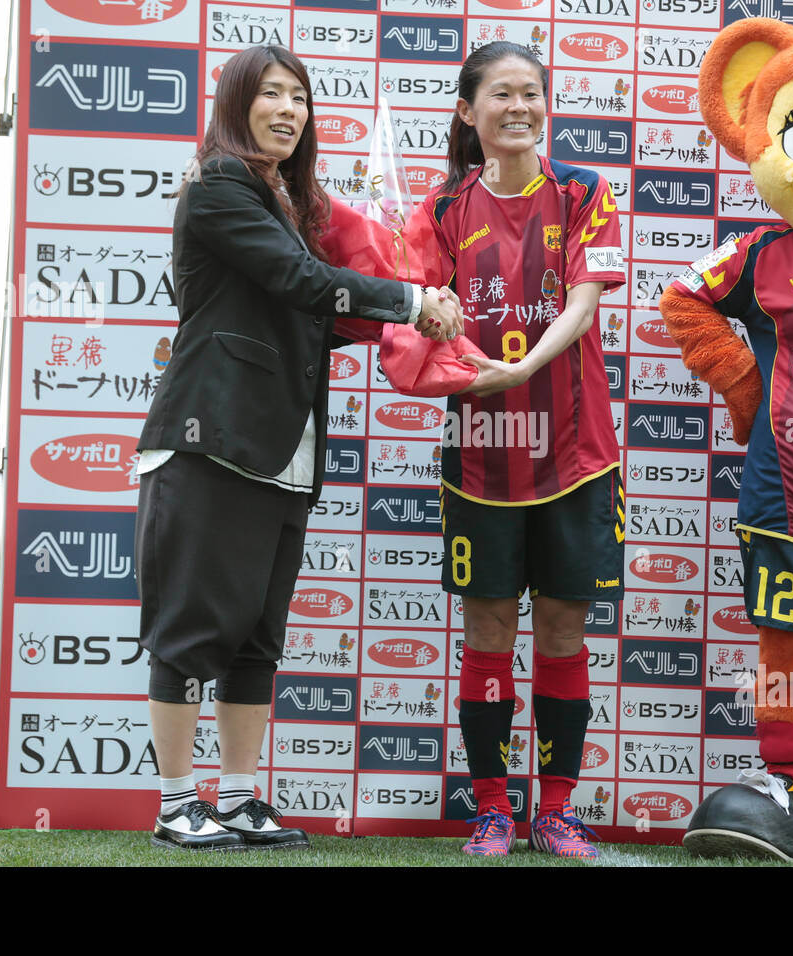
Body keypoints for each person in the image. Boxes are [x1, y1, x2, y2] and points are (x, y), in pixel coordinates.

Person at [134, 44, 462, 851]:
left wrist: (402, 326)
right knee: (186, 634)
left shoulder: (288, 202)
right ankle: (178, 803)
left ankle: (240, 800)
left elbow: (312, 311)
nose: (288, 110)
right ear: (235, 103)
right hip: (211, 439)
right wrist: (411, 299)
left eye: (300, 98)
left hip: (283, 446)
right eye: (271, 95)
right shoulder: (218, 187)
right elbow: (297, 281)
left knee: (255, 637)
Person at [417, 42, 627, 858]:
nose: (519, 108)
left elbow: (583, 302)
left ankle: (559, 811)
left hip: (577, 455)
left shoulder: (582, 192)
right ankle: (495, 810)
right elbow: (423, 321)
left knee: (566, 631)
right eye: (500, 95)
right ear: (468, 112)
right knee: (489, 631)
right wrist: (441, 326)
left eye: (531, 94)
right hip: (480, 457)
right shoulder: (439, 211)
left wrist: (528, 365)